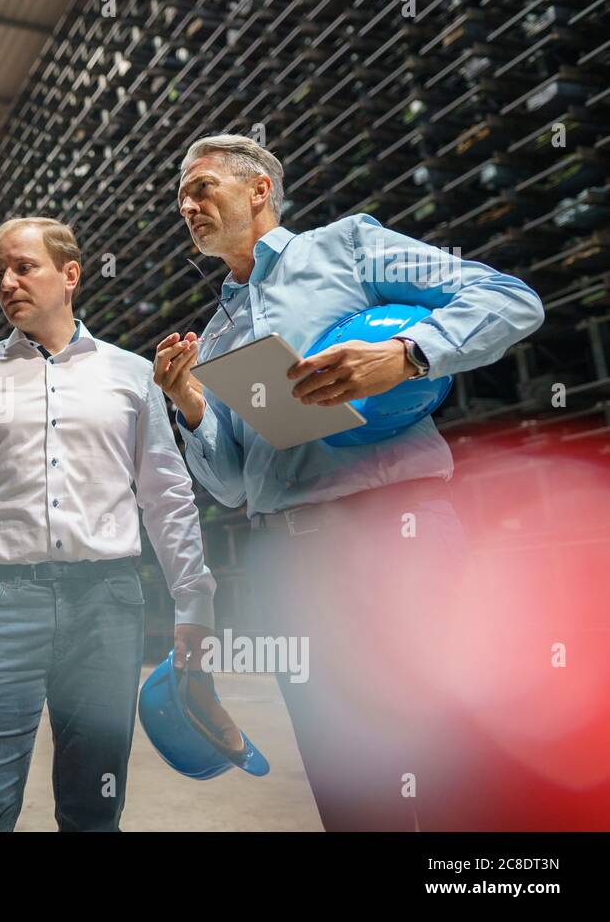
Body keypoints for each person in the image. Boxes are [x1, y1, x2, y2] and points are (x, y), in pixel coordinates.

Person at [153, 133, 545, 830]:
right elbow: (234, 483)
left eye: (201, 186)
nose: (187, 204)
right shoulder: (214, 338)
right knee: (347, 784)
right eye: (181, 196)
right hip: (291, 563)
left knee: (451, 759)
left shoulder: (347, 248)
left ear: (258, 190)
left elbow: (510, 298)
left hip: (398, 537)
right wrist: (188, 405)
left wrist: (407, 354)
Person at [0, 217, 216, 831]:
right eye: (0, 273)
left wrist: (193, 602)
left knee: (94, 808)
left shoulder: (130, 376)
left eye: (24, 267)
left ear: (70, 275)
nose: (8, 283)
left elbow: (166, 495)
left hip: (106, 602)